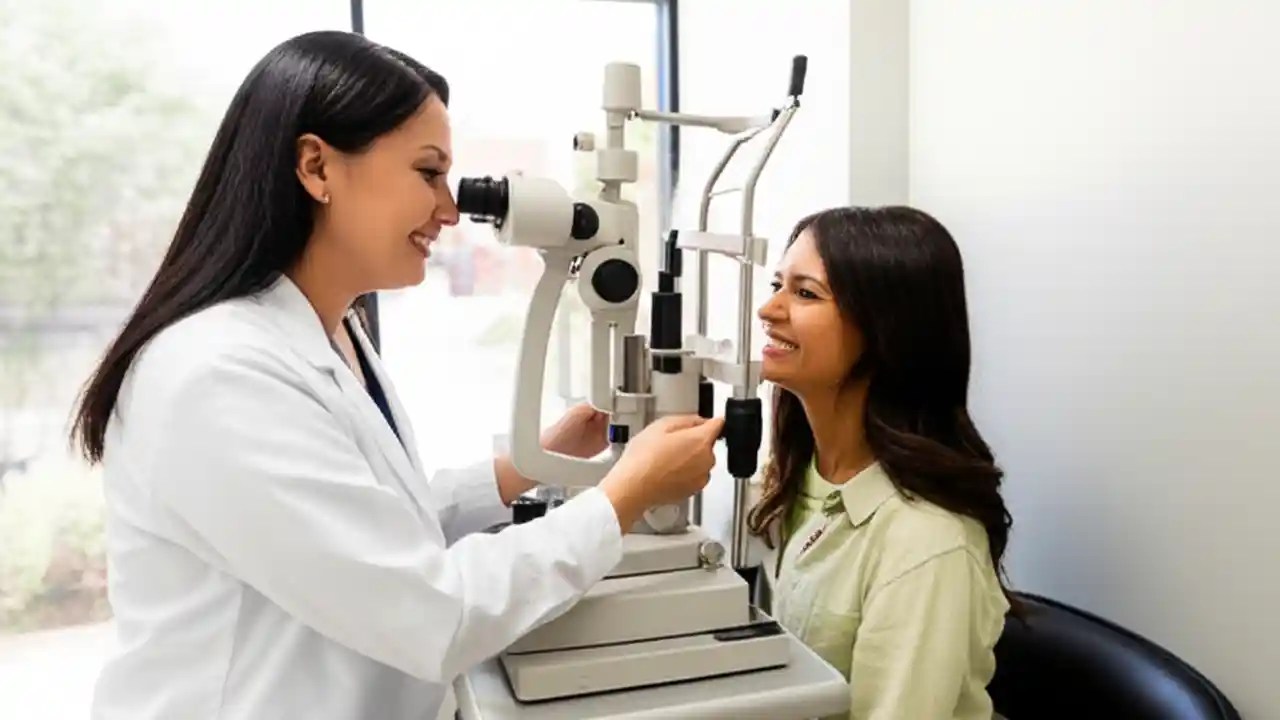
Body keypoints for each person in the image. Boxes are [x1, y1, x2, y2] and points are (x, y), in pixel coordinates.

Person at [70, 30, 724, 720]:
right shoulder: (217, 375)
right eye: (427, 172)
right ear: (317, 167)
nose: (448, 209)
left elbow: (372, 523)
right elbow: (429, 611)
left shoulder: (330, 331)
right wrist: (623, 495)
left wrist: (528, 467)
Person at [748, 206, 1016, 719]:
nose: (769, 309)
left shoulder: (926, 540)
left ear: (886, 328)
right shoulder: (799, 478)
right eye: (777, 284)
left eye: (805, 293)